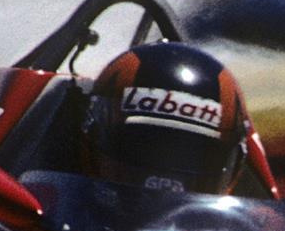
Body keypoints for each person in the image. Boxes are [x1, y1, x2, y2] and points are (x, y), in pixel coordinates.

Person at [79, 41, 253, 195]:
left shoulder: (253, 224)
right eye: (142, 147)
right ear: (92, 131)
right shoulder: (54, 204)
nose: (161, 181)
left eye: (187, 156)